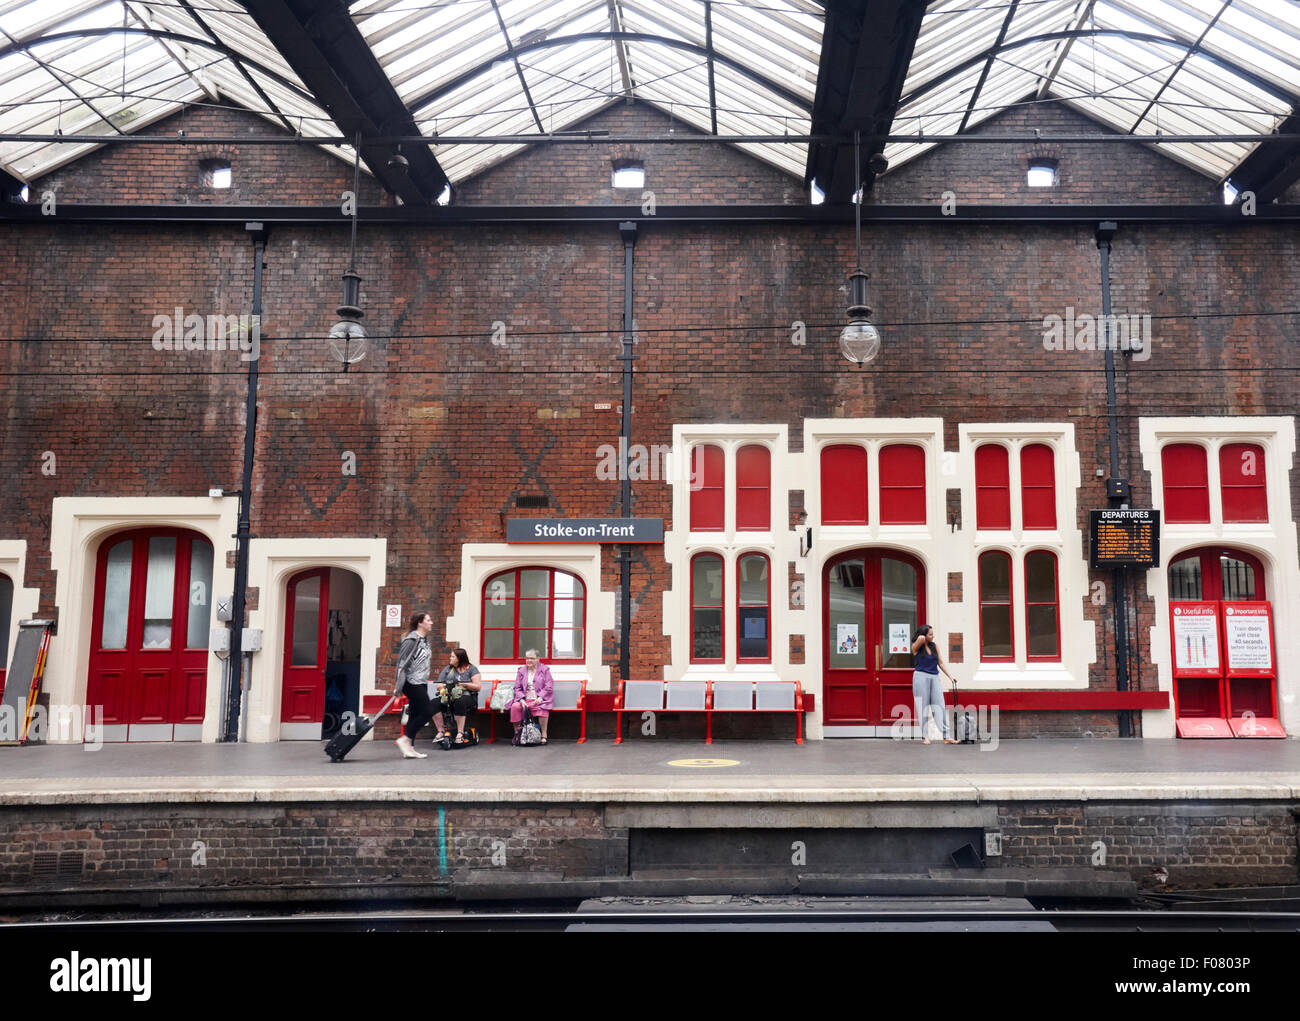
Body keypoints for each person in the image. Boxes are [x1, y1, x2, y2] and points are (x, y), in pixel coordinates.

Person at [393, 612, 434, 758]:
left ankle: (409, 749)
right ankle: (406, 739)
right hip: (410, 683)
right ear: (420, 623)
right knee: (428, 711)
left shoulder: (425, 640)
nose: (431, 623)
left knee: (414, 714)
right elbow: (401, 663)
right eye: (428, 620)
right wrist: (398, 685)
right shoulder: (411, 640)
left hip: (421, 682)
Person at [911, 624, 959, 745]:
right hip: (920, 677)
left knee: (940, 706)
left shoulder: (934, 646)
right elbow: (920, 640)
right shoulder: (916, 647)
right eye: (930, 634)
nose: (933, 636)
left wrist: (950, 677)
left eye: (933, 634)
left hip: (934, 677)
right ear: (924, 635)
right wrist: (922, 637)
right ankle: (925, 736)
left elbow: (941, 663)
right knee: (923, 707)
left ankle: (946, 736)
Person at [432, 647, 482, 746]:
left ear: (459, 658)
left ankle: (460, 732)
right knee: (433, 703)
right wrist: (448, 685)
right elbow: (438, 685)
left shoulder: (472, 669)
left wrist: (463, 684)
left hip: (467, 697)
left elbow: (478, 687)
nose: (450, 658)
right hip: (449, 696)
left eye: (452, 657)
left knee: (459, 701)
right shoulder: (448, 669)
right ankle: (441, 731)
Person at [510, 648, 554, 746]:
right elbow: (517, 687)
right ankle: (518, 734)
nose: (529, 660)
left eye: (532, 658)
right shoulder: (521, 670)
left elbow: (549, 686)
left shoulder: (544, 670)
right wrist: (521, 699)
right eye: (527, 658)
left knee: (542, 707)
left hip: (539, 699)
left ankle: (543, 735)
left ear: (538, 659)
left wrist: (540, 698)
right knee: (515, 707)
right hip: (525, 699)